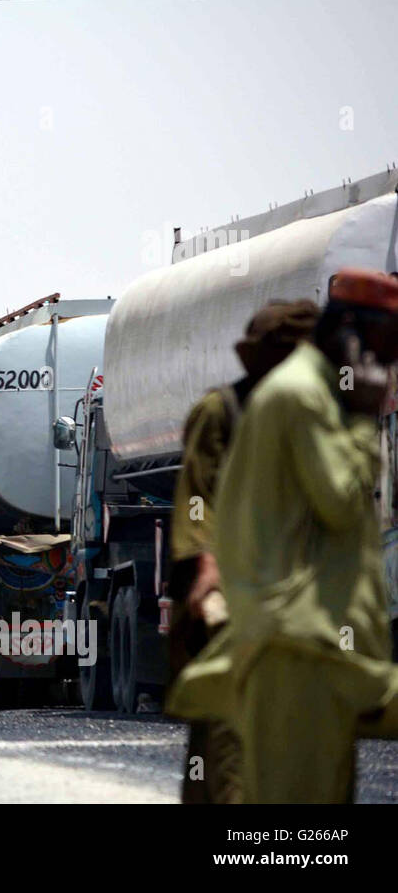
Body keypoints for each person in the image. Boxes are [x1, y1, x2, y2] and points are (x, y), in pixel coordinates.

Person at [168, 269, 398, 803]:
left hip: (299, 623)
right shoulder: (232, 410)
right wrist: (210, 580)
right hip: (248, 618)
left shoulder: (309, 408)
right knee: (230, 768)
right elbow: (198, 506)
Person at [167, 299, 318, 804]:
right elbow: (195, 499)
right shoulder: (221, 411)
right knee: (227, 733)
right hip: (231, 597)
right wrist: (207, 564)